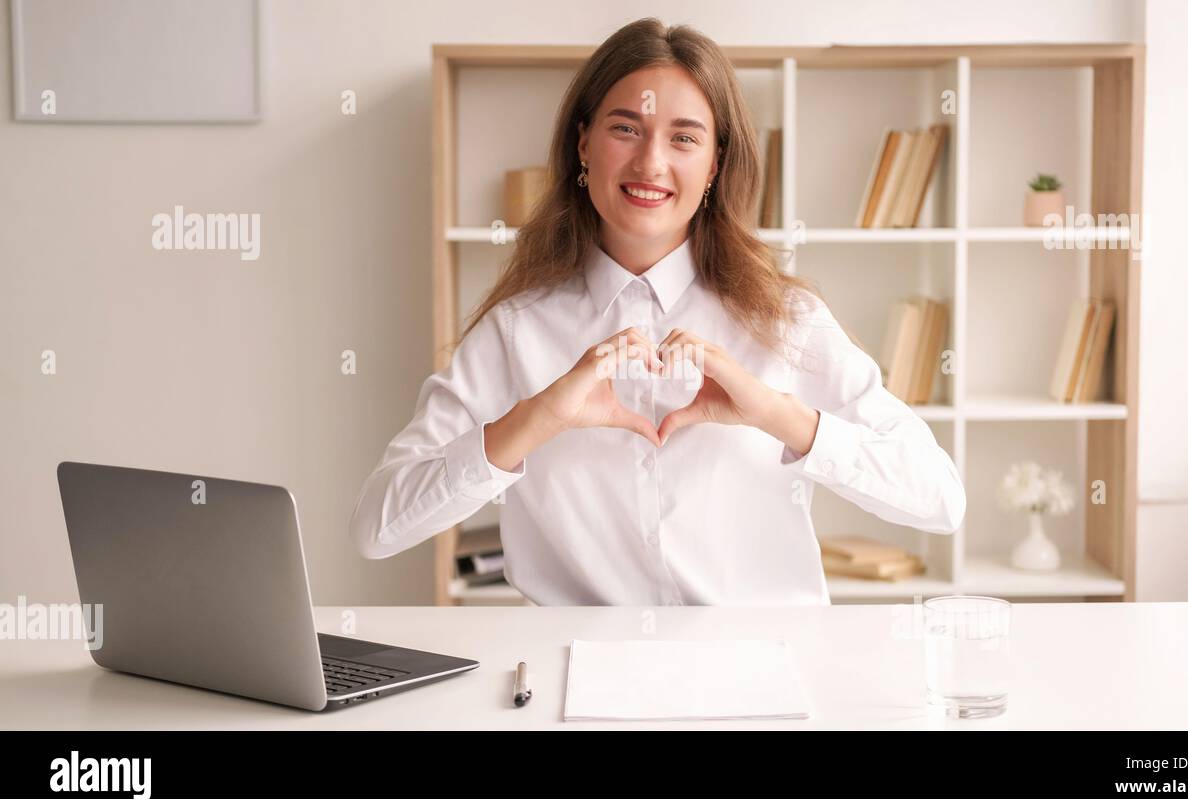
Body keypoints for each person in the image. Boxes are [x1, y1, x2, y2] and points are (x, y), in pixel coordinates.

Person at [349, 17, 965, 605]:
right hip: (579, 679)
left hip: (760, 675)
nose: (651, 163)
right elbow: (378, 528)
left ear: (715, 164)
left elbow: (940, 499)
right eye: (625, 128)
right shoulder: (515, 331)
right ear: (583, 142)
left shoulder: (789, 321)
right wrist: (535, 419)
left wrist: (779, 416)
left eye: (684, 137)